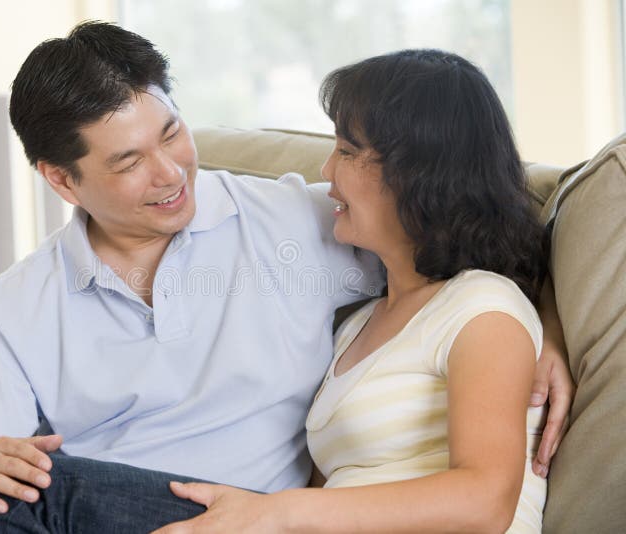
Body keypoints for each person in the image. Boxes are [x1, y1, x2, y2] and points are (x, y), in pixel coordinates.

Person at [0, 22, 572, 532]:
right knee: (23, 494)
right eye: (129, 161)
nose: (171, 173)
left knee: (47, 492)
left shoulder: (300, 222)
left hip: (259, 520)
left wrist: (545, 326)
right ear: (62, 179)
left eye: (173, 133)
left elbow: (467, 218)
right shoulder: (12, 308)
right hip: (105, 517)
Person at [154, 50, 559, 533]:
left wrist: (277, 512)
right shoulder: (360, 326)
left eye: (346, 151)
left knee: (54, 497)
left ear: (419, 174)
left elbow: (485, 501)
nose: (326, 170)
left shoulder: (483, 308)